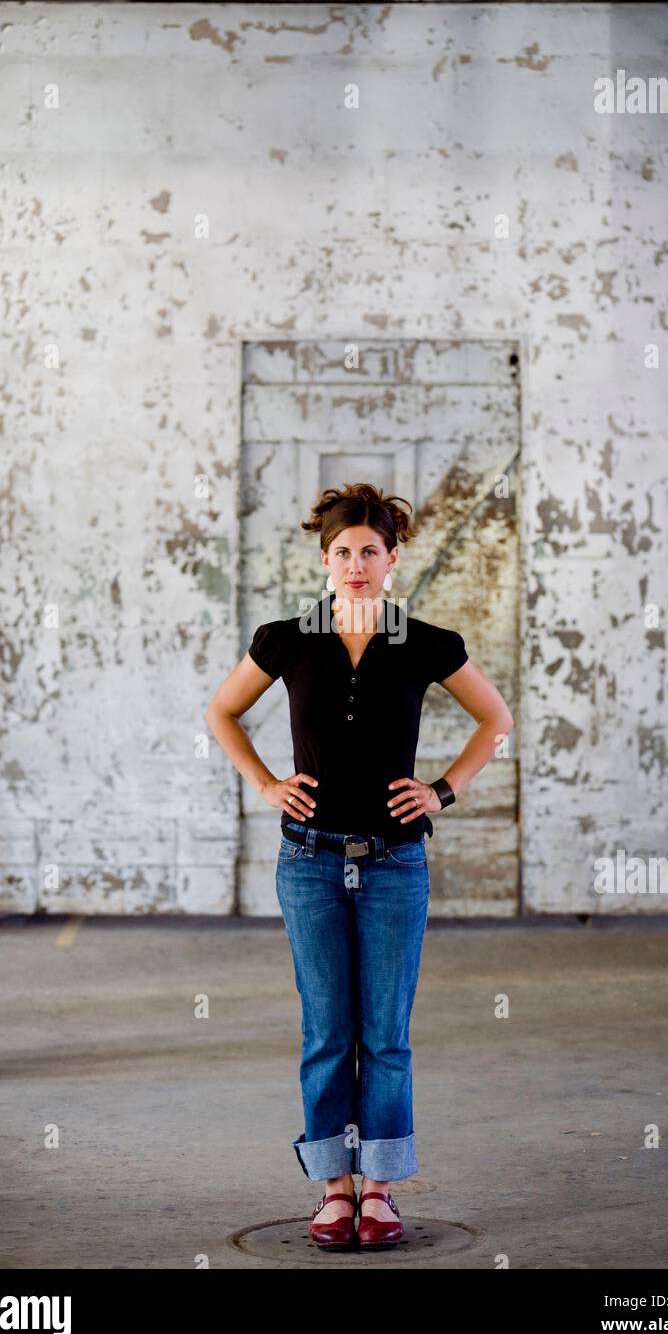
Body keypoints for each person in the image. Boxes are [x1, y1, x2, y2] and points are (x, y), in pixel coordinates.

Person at [206, 483, 514, 1250]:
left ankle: (379, 1188)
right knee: (325, 1028)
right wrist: (267, 783)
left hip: (394, 865)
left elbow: (496, 719)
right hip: (307, 863)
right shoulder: (286, 638)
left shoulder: (427, 641)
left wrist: (443, 790)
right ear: (325, 558)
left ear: (392, 558)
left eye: (369, 551)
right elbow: (222, 712)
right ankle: (332, 1190)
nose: (355, 564)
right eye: (342, 552)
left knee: (385, 1033)